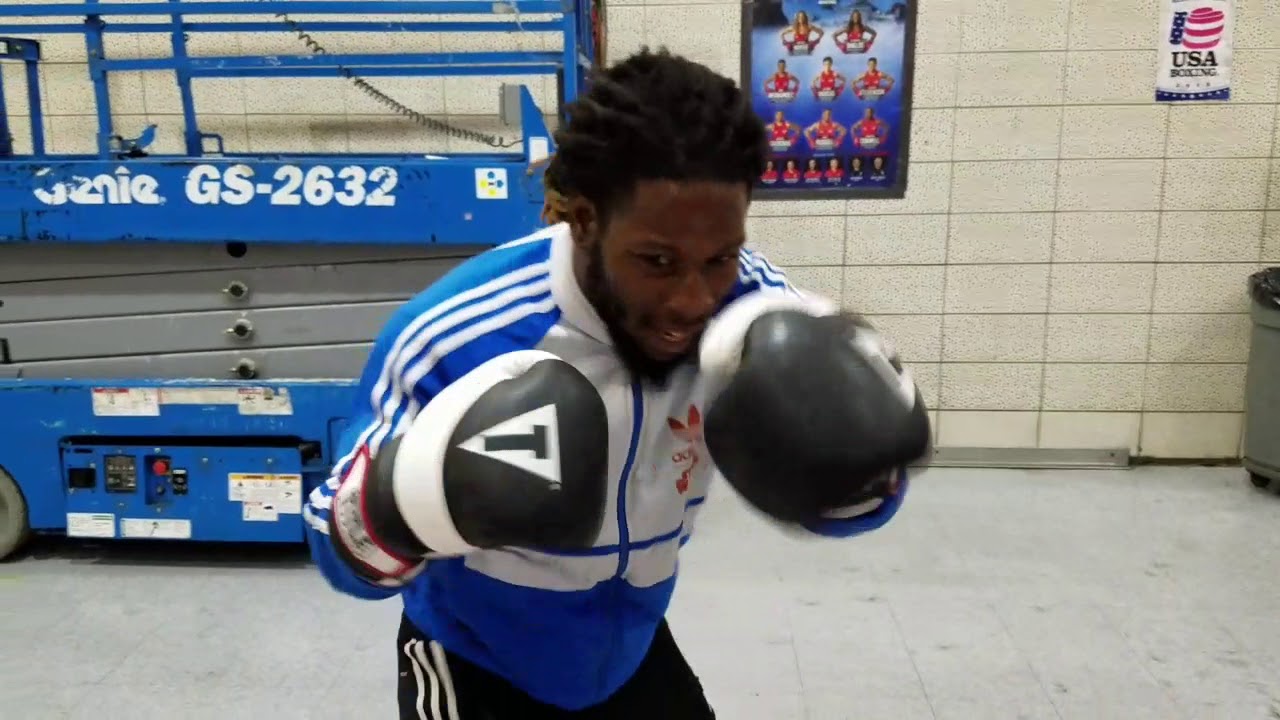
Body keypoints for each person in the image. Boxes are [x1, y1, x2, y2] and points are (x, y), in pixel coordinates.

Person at [303, 47, 931, 719]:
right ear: (582, 220)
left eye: (720, 257)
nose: (694, 300)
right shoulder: (456, 334)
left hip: (629, 647)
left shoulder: (753, 316)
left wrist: (852, 476)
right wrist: (402, 503)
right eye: (656, 261)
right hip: (475, 657)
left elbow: (862, 497)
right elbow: (335, 540)